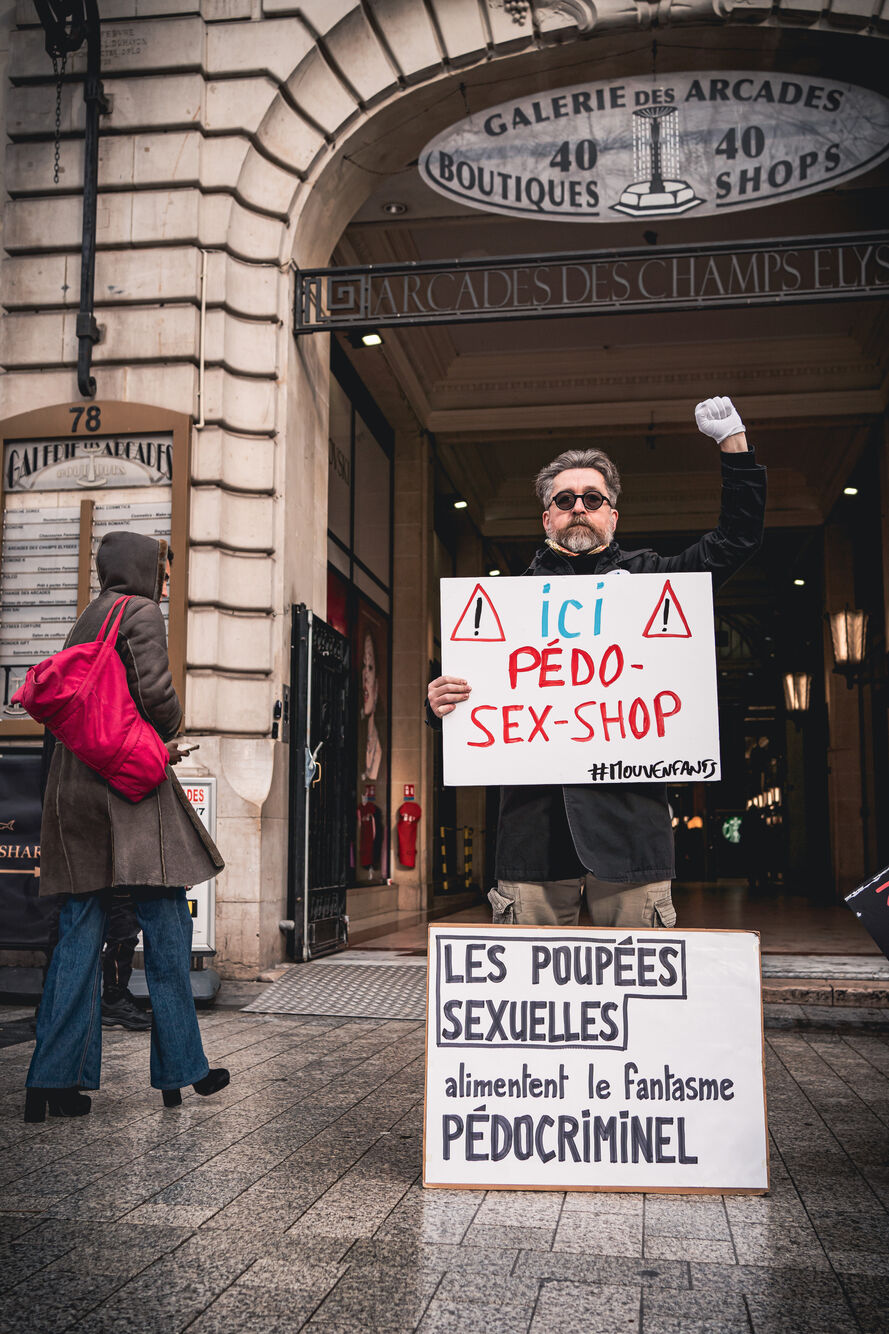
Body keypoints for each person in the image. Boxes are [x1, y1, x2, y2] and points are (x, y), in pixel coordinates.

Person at [427, 396, 766, 930]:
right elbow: (474, 713)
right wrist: (438, 703)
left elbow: (736, 541)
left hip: (631, 840)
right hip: (534, 844)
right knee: (528, 1001)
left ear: (612, 514)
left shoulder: (654, 582)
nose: (578, 507)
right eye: (565, 499)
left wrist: (734, 446)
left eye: (592, 497)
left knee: (640, 1006)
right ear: (547, 517)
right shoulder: (502, 609)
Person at [24, 530, 228, 1121]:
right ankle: (181, 1070)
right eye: (163, 572)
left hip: (75, 790)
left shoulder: (88, 616)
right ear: (144, 571)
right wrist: (170, 727)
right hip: (129, 793)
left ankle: (51, 1083)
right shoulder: (140, 612)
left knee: (78, 932)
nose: (165, 585)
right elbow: (156, 695)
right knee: (165, 925)